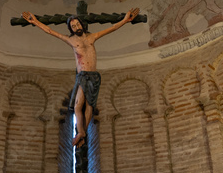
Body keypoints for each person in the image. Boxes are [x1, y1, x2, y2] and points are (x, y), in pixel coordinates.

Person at [21, 8, 140, 146]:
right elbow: (50, 31)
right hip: (82, 76)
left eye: (77, 24)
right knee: (77, 106)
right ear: (70, 29)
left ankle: (82, 133)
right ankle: (81, 132)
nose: (76, 27)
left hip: (93, 76)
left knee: (90, 105)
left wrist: (125, 20)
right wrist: (35, 22)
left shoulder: (92, 37)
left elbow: (112, 28)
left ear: (82, 25)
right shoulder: (70, 40)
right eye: (73, 26)